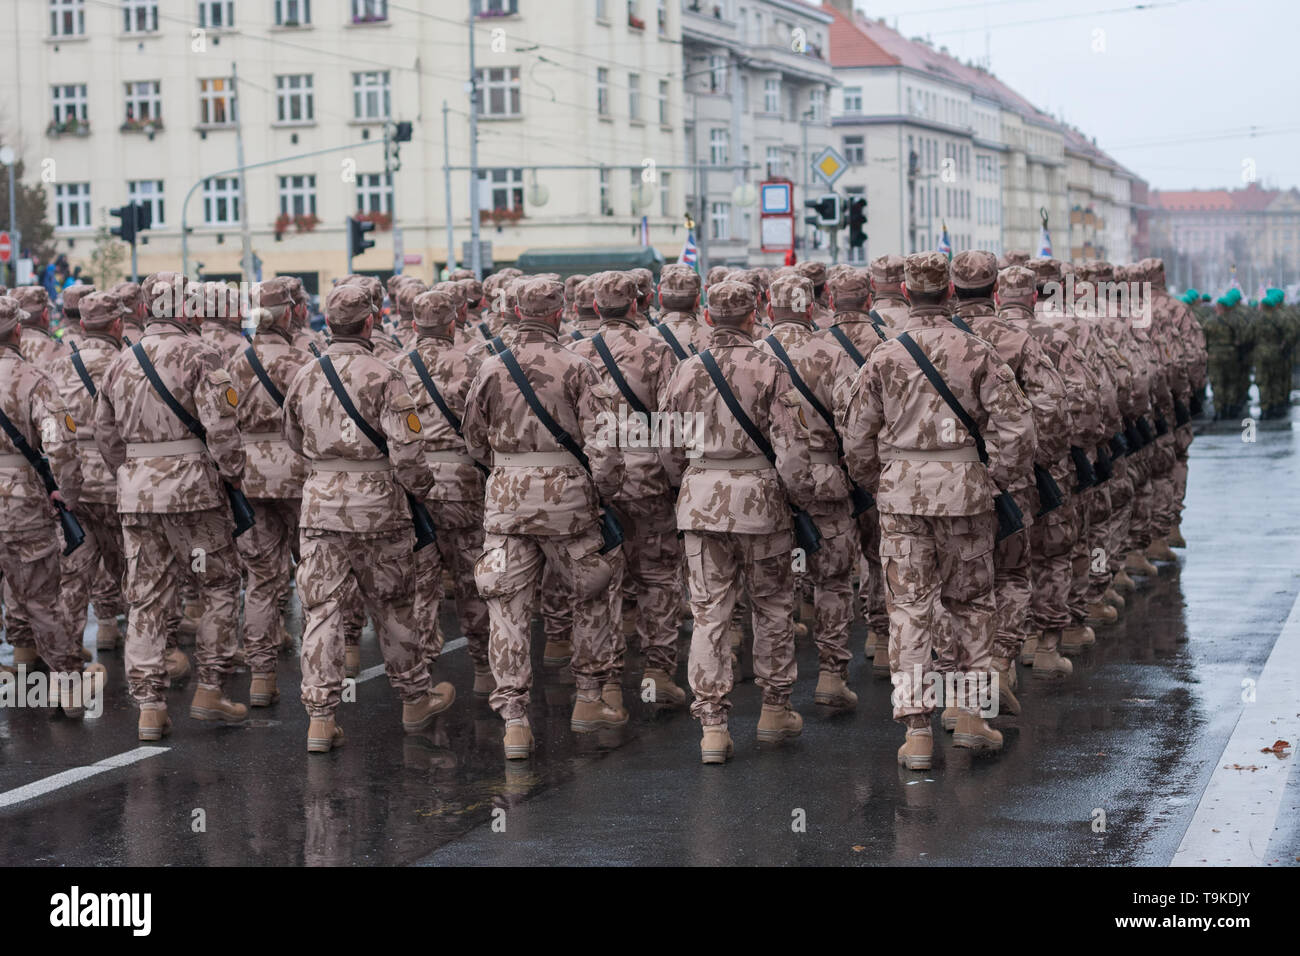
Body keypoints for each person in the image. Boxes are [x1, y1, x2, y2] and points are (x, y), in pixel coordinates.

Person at [841, 252, 1034, 771]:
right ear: (951, 294)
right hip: (965, 492)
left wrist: (879, 481)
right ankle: (972, 717)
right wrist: (995, 481)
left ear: (904, 295)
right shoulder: (978, 350)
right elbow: (1017, 429)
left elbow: (856, 435)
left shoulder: (885, 355)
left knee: (909, 608)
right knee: (971, 603)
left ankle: (918, 732)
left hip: (902, 495)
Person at [462, 276, 627, 759]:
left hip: (508, 500)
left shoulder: (491, 366)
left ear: (515, 313)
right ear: (559, 314)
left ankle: (514, 720)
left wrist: (505, 470)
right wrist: (604, 493)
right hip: (569, 502)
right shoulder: (579, 366)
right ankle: (590, 699)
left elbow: (472, 437)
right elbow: (606, 445)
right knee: (592, 593)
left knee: (507, 608)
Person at [659, 279, 816, 764]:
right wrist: (800, 498)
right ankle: (774, 710)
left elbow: (666, 447)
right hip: (760, 503)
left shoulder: (685, 370)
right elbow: (791, 450)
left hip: (702, 498)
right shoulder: (772, 367)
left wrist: (684, 484)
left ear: (708, 316)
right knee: (771, 605)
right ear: (754, 316)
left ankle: (712, 727)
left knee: (709, 613)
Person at [94, 272, 248, 741]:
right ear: (184, 308)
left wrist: (135, 472)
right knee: (219, 582)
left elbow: (105, 433)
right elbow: (221, 428)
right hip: (194, 493)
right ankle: (209, 688)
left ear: (147, 309)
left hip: (137, 495)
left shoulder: (121, 361)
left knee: (145, 596)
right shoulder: (202, 354)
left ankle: (150, 706)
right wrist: (233, 472)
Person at [569, 271, 686, 708]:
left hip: (593, 484)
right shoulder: (658, 350)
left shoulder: (575, 353)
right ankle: (656, 678)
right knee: (657, 578)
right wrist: (678, 482)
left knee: (602, 584)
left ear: (595, 308)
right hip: (649, 480)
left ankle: (610, 687)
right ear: (637, 305)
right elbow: (673, 425)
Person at [0, 293, 98, 713]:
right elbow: (59, 444)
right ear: (18, 330)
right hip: (22, 499)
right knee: (42, 598)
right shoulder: (32, 378)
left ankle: (21, 673)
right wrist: (66, 492)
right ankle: (67, 689)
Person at [391, 288, 492, 695]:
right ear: (454, 322)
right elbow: (488, 425)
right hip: (463, 484)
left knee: (419, 584)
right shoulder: (473, 364)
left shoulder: (394, 367)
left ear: (414, 325)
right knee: (473, 580)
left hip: (411, 487)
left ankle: (422, 676)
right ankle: (485, 671)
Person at [228, 279, 315, 707]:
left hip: (249, 478)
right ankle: (326, 674)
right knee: (316, 577)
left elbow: (219, 422)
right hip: (298, 476)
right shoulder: (304, 361)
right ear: (288, 314)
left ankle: (261, 677)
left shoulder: (233, 363)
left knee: (261, 580)